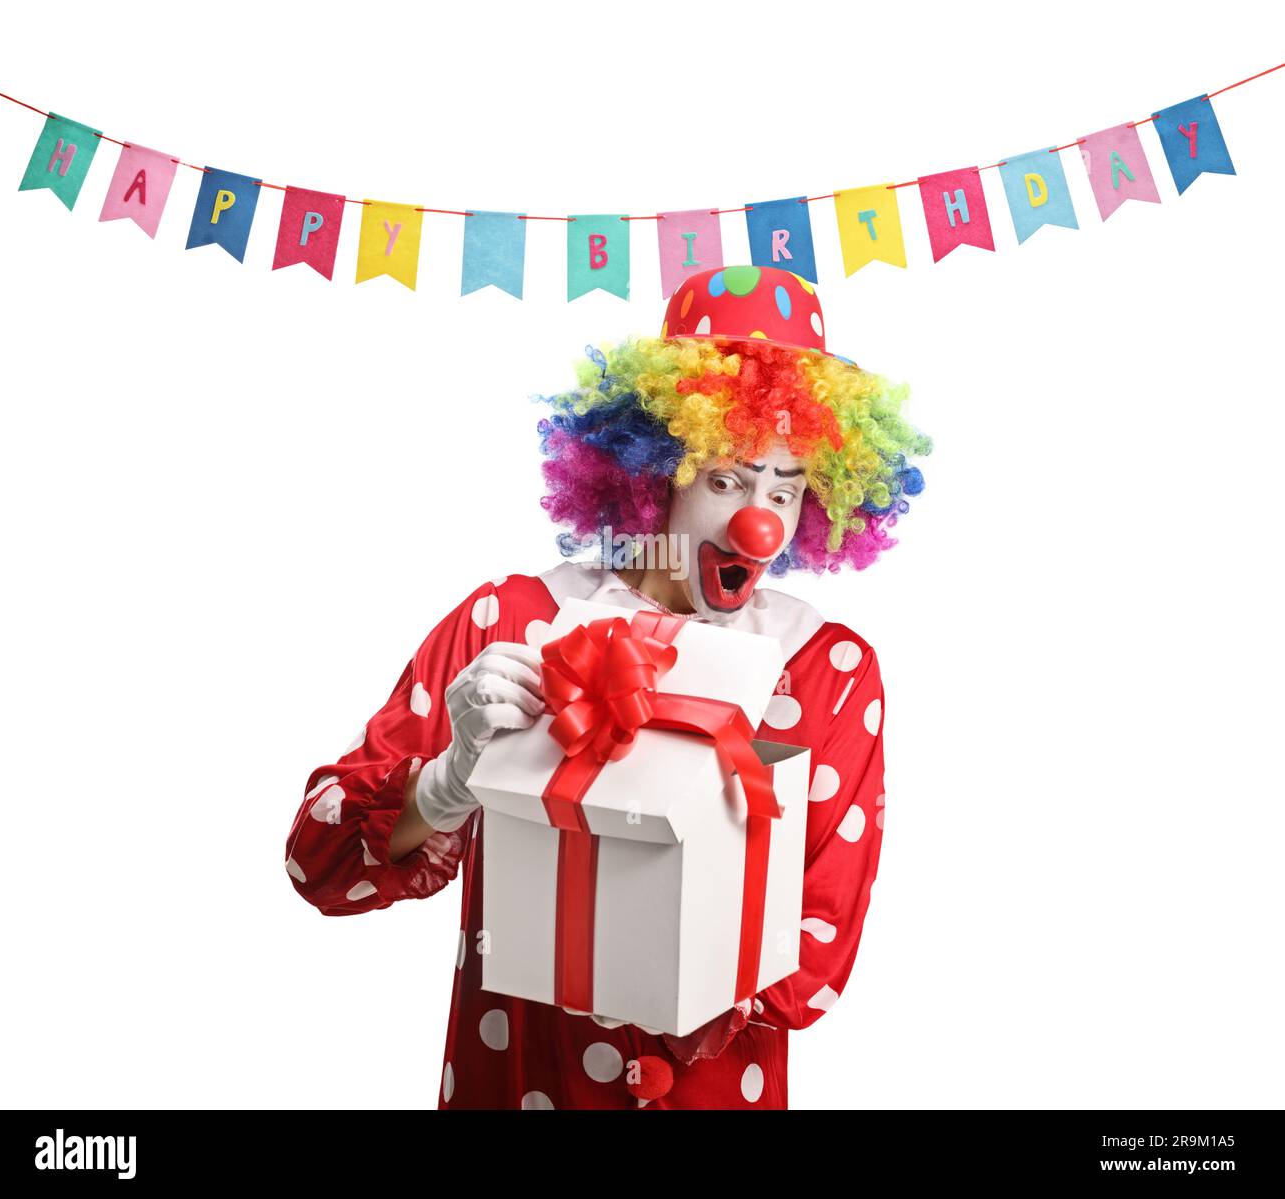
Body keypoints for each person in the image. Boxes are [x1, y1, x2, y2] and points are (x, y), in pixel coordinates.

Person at [283, 264, 932, 1109]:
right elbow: (316, 863)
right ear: (651, 467)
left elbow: (814, 956)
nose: (758, 522)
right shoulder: (511, 620)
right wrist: (446, 782)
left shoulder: (826, 668)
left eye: (786, 484)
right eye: (727, 479)